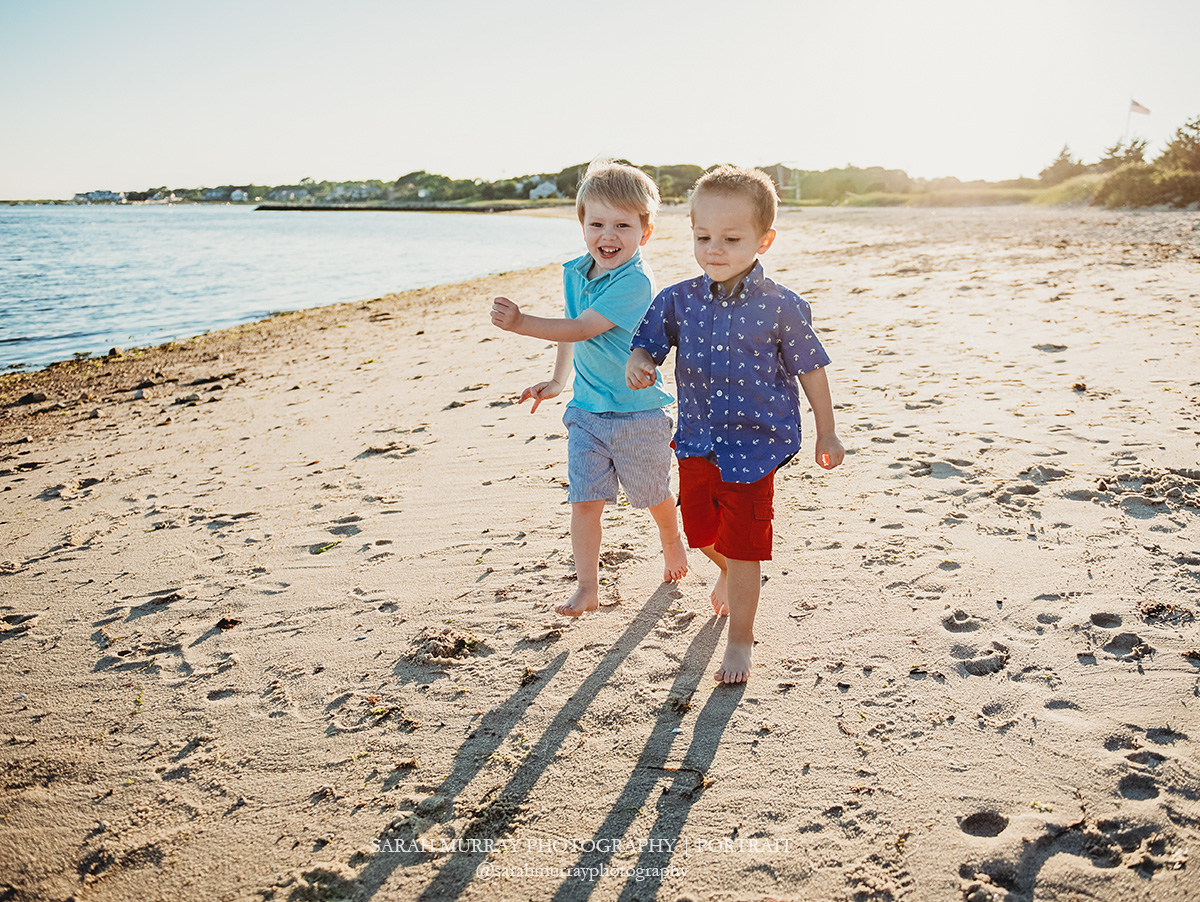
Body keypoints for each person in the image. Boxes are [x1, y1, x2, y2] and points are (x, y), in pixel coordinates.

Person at [626, 165, 844, 683]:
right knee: (700, 534)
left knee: (744, 544)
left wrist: (826, 429)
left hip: (756, 446)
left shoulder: (783, 307)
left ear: (763, 240)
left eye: (730, 238)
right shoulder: (679, 299)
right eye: (703, 237)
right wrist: (640, 361)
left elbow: (811, 370)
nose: (714, 250)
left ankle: (741, 638)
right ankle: (730, 573)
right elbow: (649, 341)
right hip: (698, 439)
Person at [490, 160, 688, 617]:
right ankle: (587, 587)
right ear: (582, 224)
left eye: (623, 225)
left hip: (638, 413)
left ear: (646, 231)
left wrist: (519, 323)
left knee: (653, 495)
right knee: (584, 501)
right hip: (588, 414)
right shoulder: (578, 272)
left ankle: (670, 537)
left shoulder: (636, 280)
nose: (608, 236)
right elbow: (569, 332)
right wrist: (559, 381)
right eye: (597, 223)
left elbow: (581, 328)